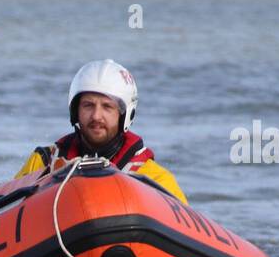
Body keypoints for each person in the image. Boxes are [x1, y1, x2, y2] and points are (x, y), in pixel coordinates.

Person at [16, 59, 188, 203]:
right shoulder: (43, 163)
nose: (96, 116)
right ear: (75, 111)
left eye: (107, 107)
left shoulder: (155, 179)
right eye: (88, 105)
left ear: (124, 115)